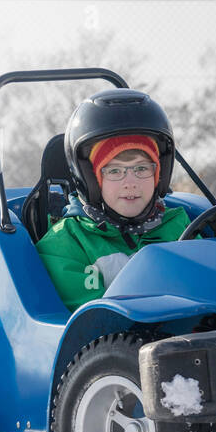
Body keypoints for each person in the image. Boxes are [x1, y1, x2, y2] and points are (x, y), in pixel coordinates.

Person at [36, 89, 194, 310]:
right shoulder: (65, 245)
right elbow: (97, 326)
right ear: (91, 180)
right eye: (114, 171)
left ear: (160, 175)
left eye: (141, 168)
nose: (130, 182)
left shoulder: (182, 226)